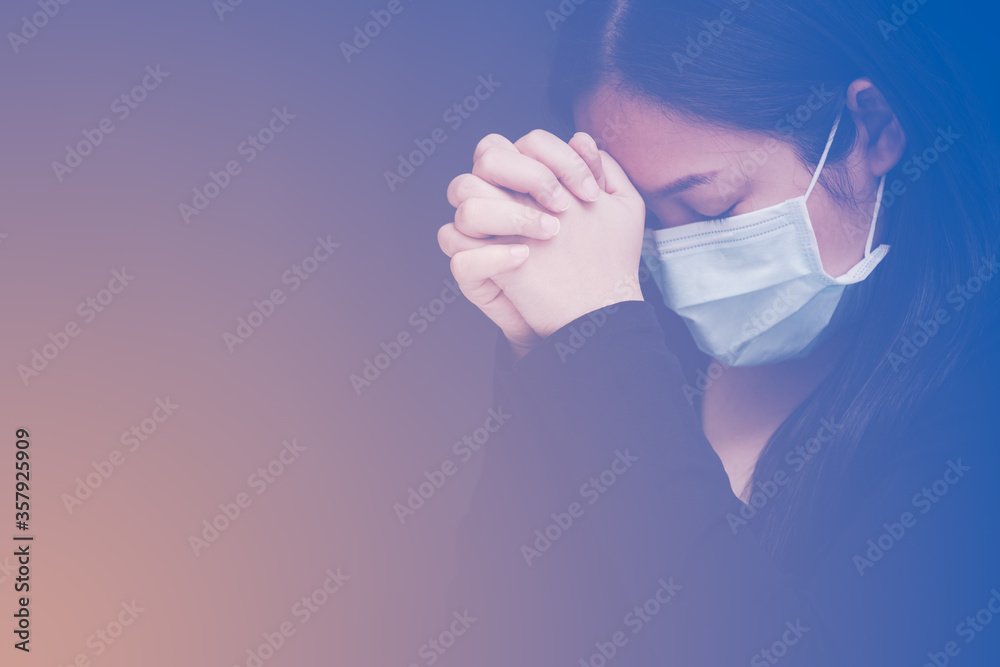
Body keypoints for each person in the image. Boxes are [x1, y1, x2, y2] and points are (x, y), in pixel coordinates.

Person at [436, 0, 1000, 664]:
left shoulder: (974, 408)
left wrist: (602, 344)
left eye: (713, 207)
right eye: (647, 220)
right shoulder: (637, 324)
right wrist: (550, 359)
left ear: (873, 127)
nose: (677, 260)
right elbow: (481, 634)